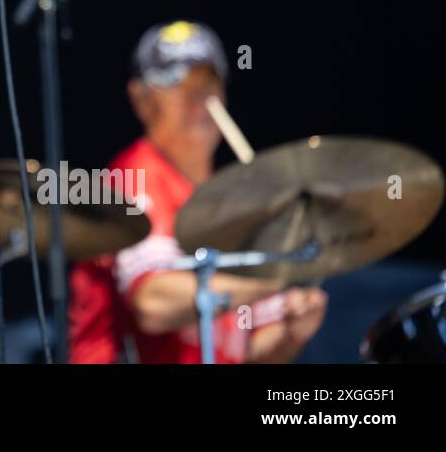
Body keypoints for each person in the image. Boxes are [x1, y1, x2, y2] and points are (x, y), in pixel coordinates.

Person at [68, 20, 327, 363]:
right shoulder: (131, 177)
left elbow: (249, 353)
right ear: (141, 100)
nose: (199, 100)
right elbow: (152, 304)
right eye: (179, 86)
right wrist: (275, 278)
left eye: (208, 84)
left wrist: (292, 332)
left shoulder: (234, 200)